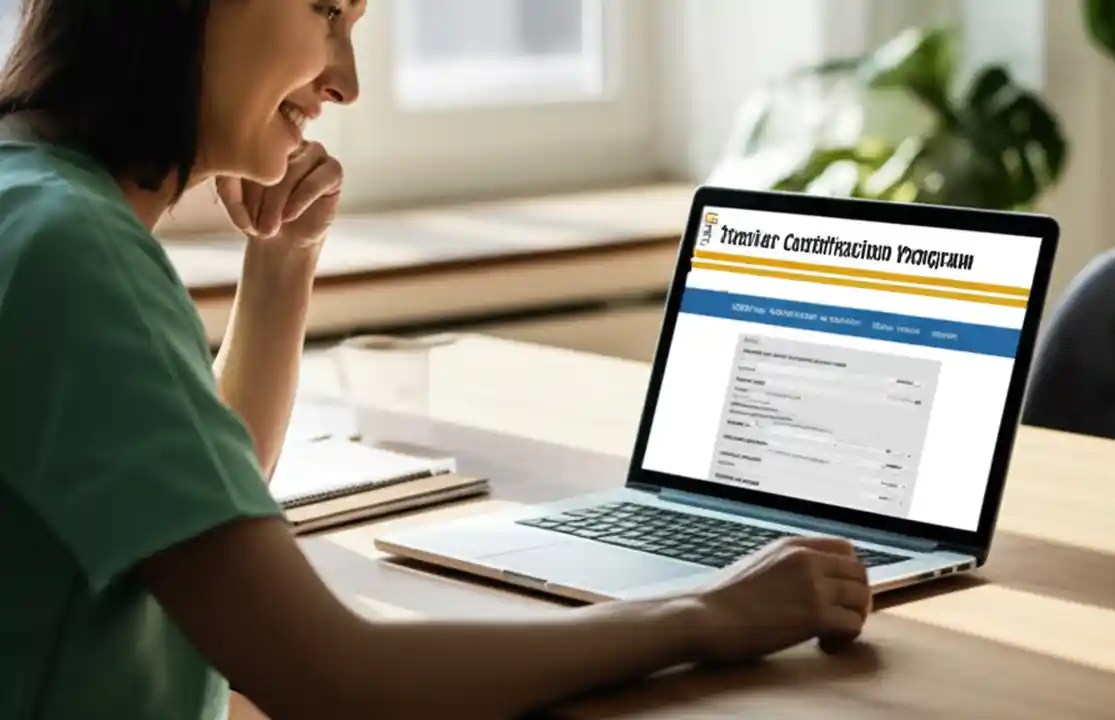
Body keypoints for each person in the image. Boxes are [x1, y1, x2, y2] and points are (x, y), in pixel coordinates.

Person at [0, 1, 874, 718]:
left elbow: (206, 503)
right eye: (328, 11)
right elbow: (337, 677)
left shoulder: (27, 201)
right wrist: (704, 615)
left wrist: (285, 258)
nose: (345, 80)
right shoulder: (79, 255)